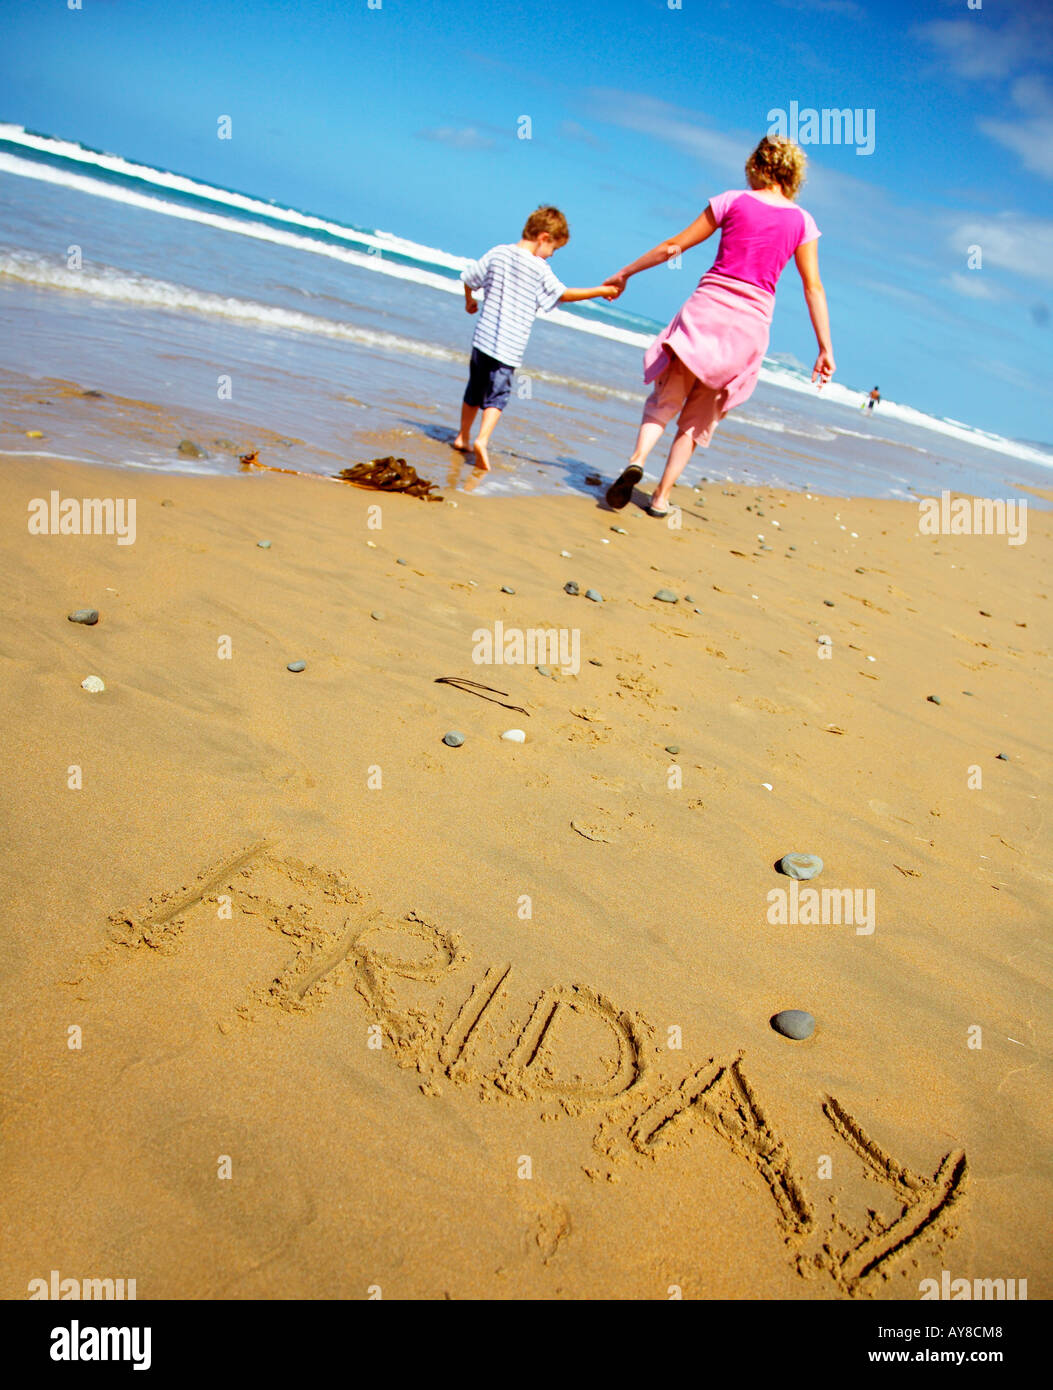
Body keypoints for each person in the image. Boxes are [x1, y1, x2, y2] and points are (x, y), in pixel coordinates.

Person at [603, 135, 835, 516]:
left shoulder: (731, 201)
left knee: (665, 401)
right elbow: (814, 287)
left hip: (707, 310)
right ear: (794, 174)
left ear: (756, 164)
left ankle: (638, 459)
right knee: (697, 421)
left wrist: (626, 271)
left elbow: (673, 245)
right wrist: (825, 347)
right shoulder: (802, 222)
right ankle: (660, 498)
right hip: (749, 327)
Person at [454, 206, 618, 471]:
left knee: (474, 388)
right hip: (509, 348)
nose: (551, 255)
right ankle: (482, 439)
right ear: (543, 238)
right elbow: (562, 294)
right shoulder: (539, 268)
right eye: (553, 249)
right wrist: (600, 290)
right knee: (497, 396)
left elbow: (469, 277)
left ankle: (462, 437)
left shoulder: (498, 253)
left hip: (482, 340)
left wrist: (469, 301)